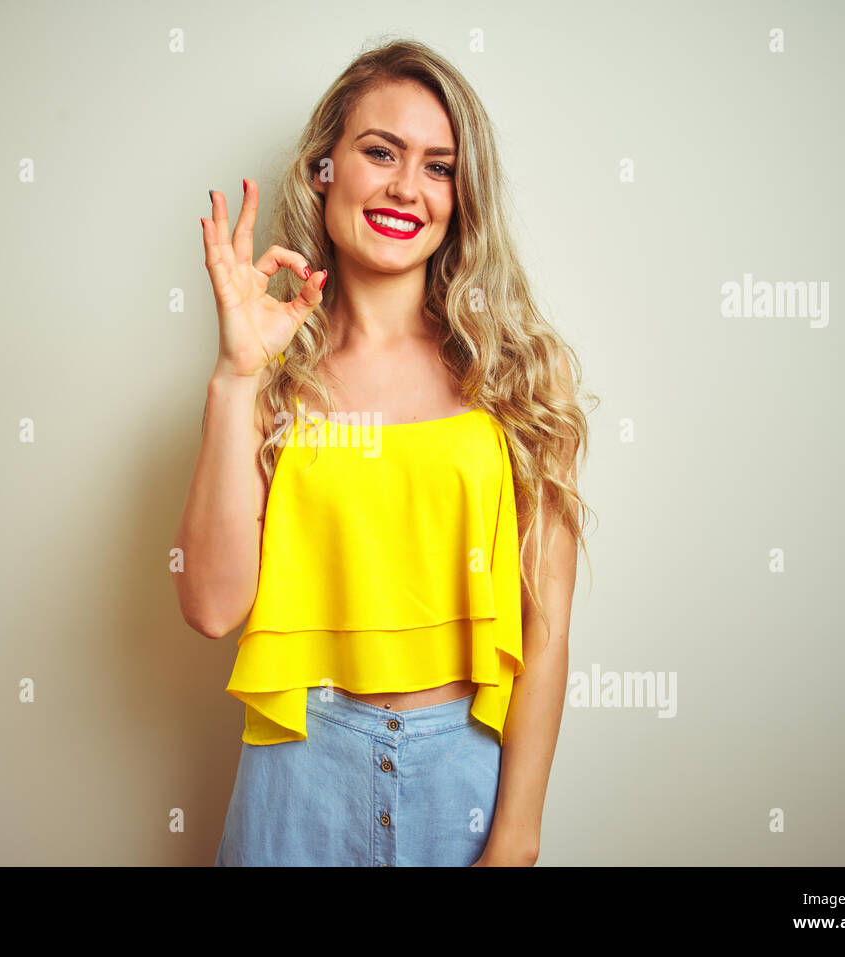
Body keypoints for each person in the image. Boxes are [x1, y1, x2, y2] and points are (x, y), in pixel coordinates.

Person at [173, 38, 594, 867]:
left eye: (439, 166)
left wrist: (517, 835)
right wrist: (234, 377)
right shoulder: (273, 379)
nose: (408, 186)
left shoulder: (516, 373)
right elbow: (213, 606)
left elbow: (544, 629)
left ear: (461, 196)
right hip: (296, 776)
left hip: (461, 776)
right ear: (324, 169)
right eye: (380, 152)